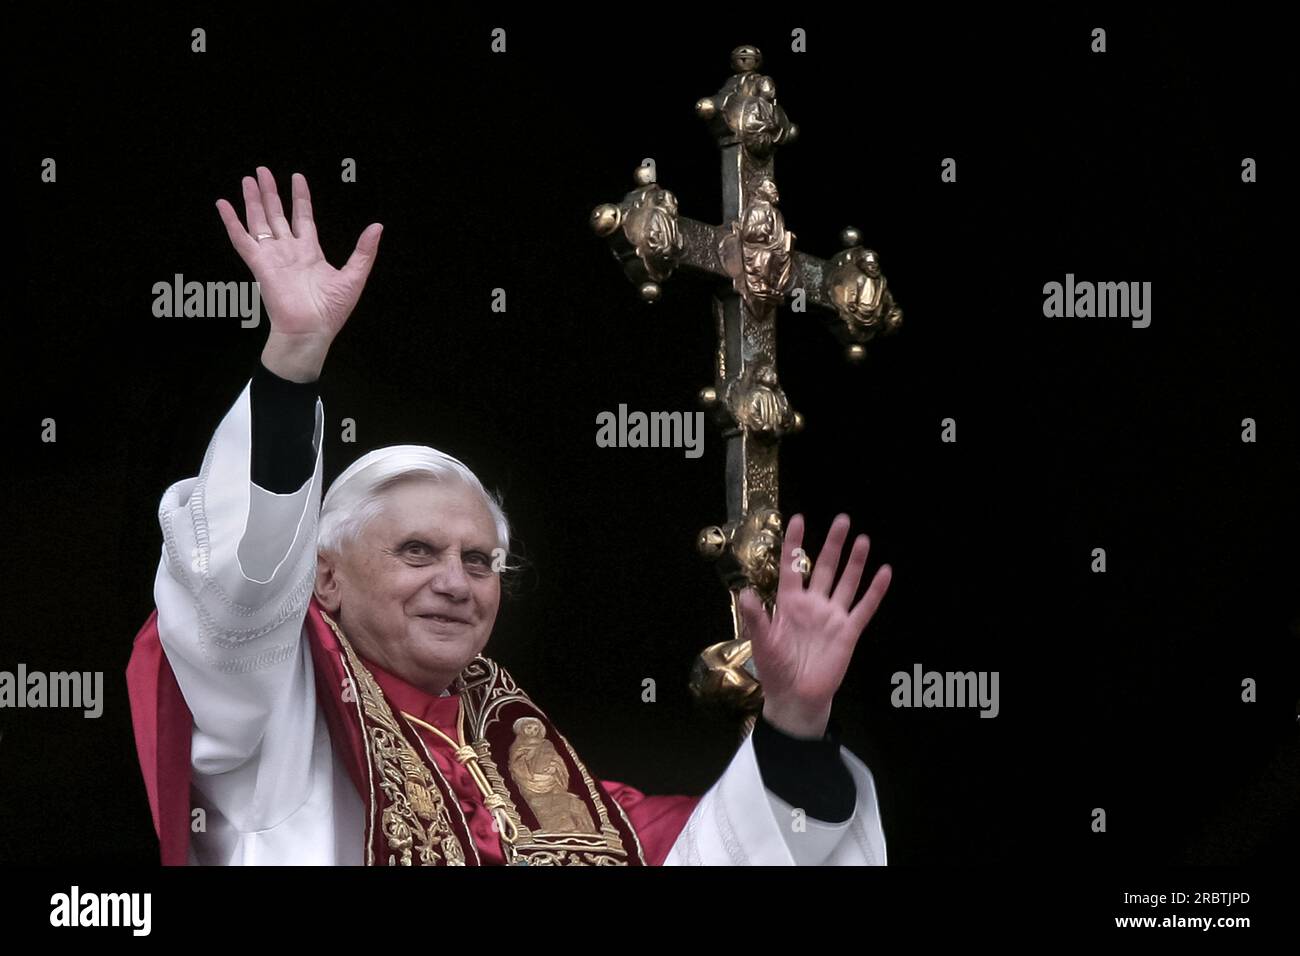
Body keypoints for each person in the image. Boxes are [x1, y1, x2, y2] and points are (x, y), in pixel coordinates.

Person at [126, 167, 894, 866]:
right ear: (322, 577)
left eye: (480, 561)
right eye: (418, 551)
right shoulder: (282, 707)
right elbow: (239, 594)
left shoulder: (526, 758)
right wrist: (294, 358)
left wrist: (796, 722)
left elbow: (713, 854)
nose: (457, 583)